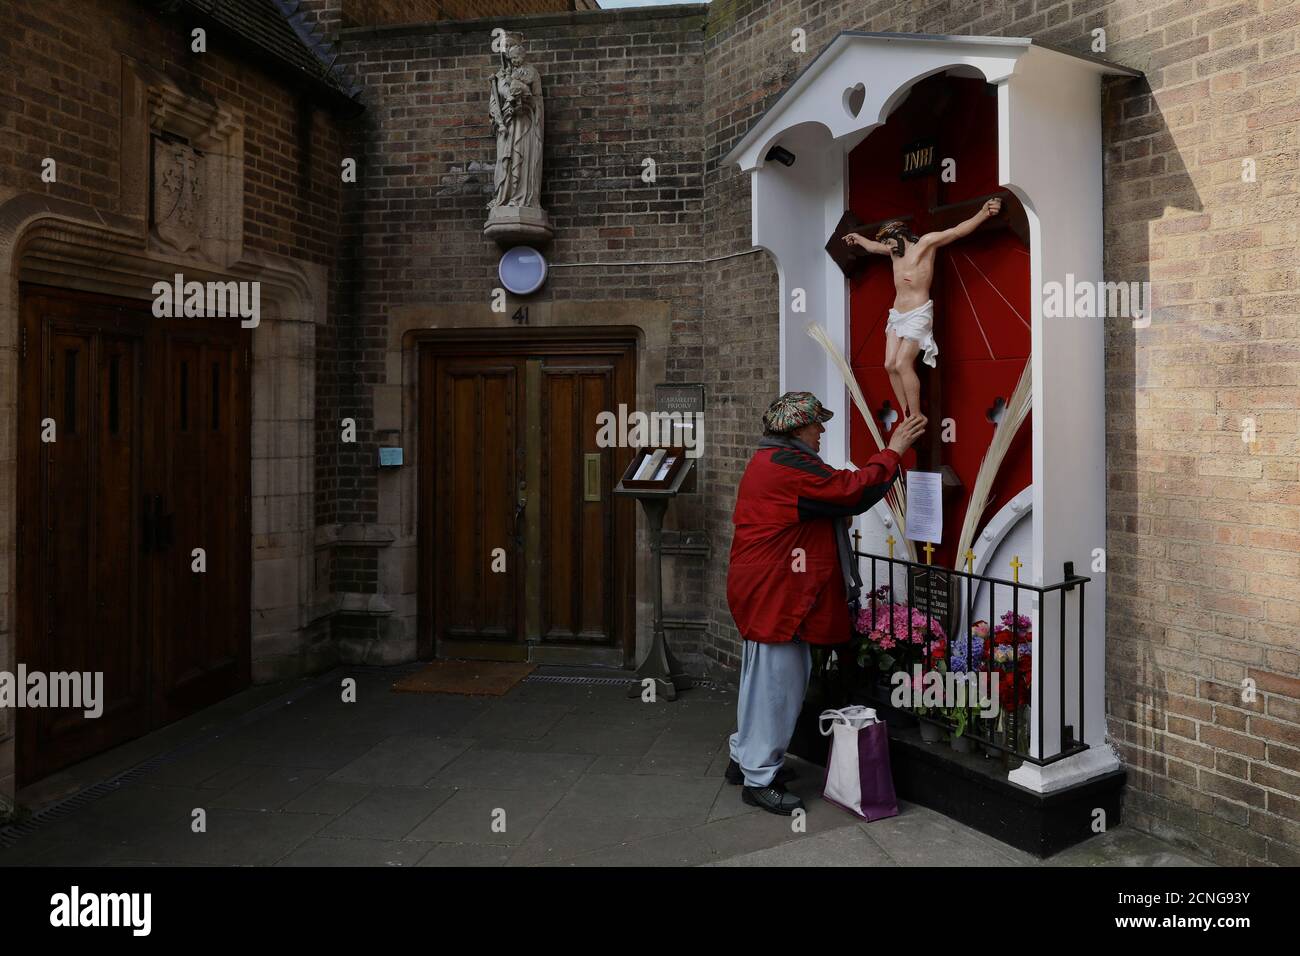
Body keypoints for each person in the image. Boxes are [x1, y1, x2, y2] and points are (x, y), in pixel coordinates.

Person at [725, 391, 926, 814]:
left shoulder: (775, 461)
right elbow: (848, 491)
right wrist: (893, 451)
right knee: (777, 687)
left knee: (761, 680)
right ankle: (758, 777)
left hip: (770, 590)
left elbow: (827, 499)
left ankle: (744, 758)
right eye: (817, 424)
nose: (822, 432)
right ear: (797, 428)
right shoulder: (786, 467)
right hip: (777, 595)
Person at [843, 197, 1002, 420]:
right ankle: (906, 413)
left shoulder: (925, 244)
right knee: (889, 364)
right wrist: (858, 238)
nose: (887, 247)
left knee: (902, 362)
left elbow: (956, 231)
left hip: (918, 313)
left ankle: (917, 414)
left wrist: (983, 213)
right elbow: (873, 247)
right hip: (897, 315)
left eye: (889, 242)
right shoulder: (893, 253)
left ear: (899, 236)